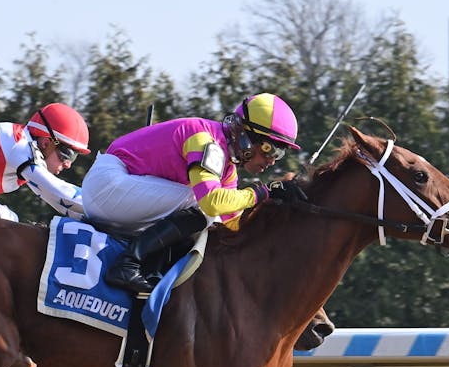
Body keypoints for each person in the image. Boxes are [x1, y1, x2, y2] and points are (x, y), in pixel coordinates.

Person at [81, 92, 302, 294]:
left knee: (212, 216)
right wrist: (261, 193)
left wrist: (275, 213)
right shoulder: (205, 140)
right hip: (106, 185)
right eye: (270, 149)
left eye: (279, 154)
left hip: (118, 191)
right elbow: (211, 202)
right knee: (202, 205)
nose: (272, 161)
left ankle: (146, 264)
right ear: (246, 136)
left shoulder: (227, 169)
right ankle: (128, 263)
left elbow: (232, 225)